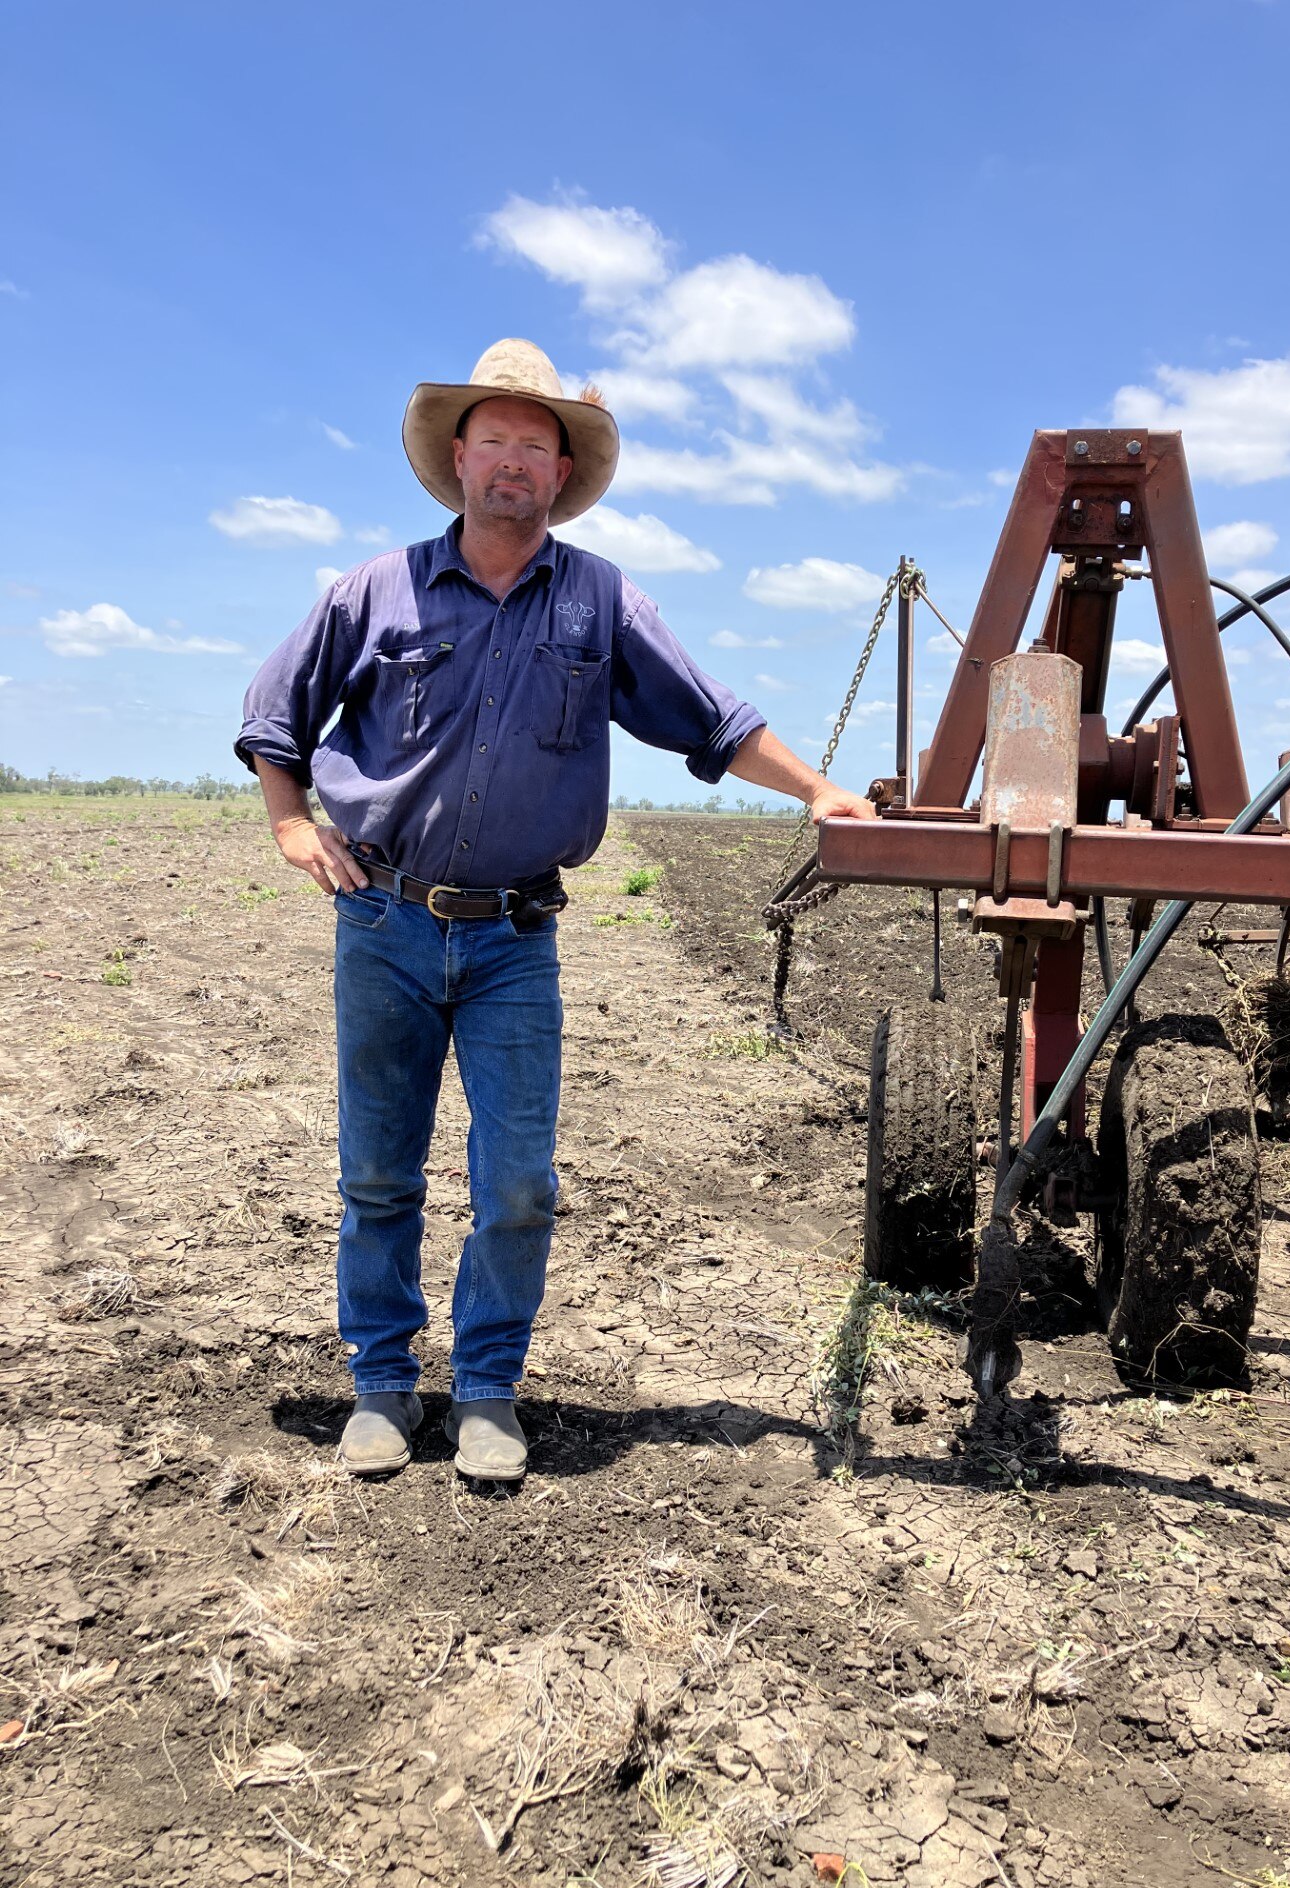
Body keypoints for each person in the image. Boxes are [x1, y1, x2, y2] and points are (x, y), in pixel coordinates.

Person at [235, 337, 876, 1482]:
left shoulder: (600, 601)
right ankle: (381, 1385)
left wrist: (822, 788)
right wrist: (292, 822)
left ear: (562, 470)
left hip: (515, 938)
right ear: (460, 455)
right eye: (498, 440)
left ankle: (487, 1389)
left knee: (518, 1180)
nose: (516, 462)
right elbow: (276, 713)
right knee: (379, 1173)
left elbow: (713, 720)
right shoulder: (373, 590)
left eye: (540, 443)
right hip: (384, 921)